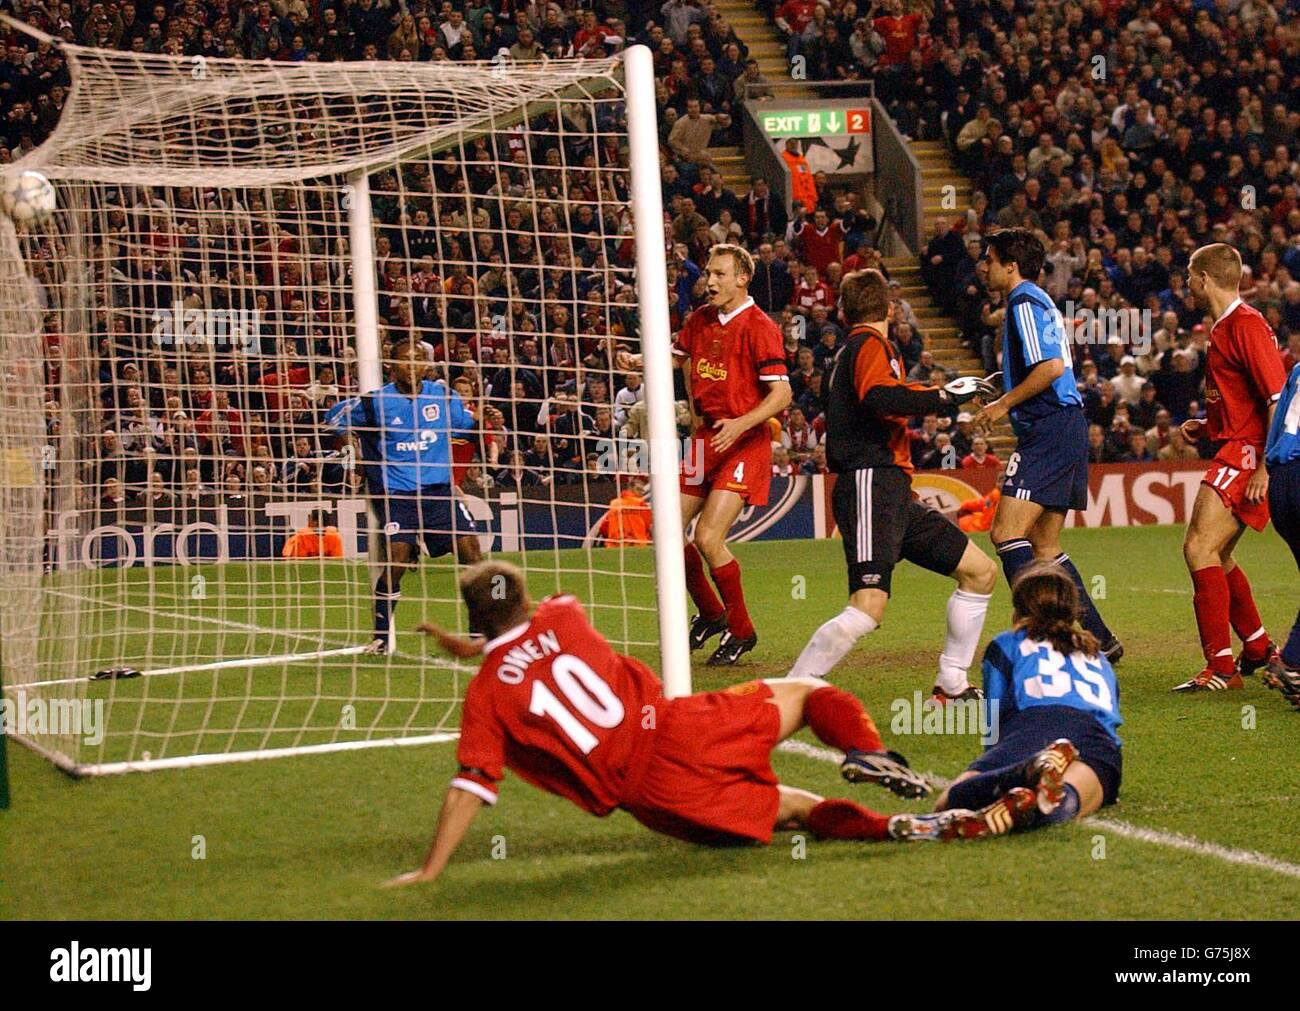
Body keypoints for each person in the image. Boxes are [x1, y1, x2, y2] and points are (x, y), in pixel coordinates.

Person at [383, 560, 989, 886]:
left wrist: (430, 869)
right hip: (682, 724)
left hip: (654, 795)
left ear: (477, 622)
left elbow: (471, 785)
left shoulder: (488, 696)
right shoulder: (563, 615)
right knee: (808, 693)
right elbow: (523, 623)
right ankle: (865, 750)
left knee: (798, 808)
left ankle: (894, 827)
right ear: (524, 601)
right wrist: (484, 639)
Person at [787, 268, 999, 702]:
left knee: (979, 572)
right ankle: (786, 692)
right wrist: (943, 396)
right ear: (889, 309)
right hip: (870, 484)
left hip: (891, 491)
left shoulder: (855, 348)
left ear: (844, 311)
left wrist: (936, 393)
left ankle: (951, 683)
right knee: (868, 607)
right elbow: (881, 398)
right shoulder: (869, 345)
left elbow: (882, 397)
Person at [972, 227, 1123, 663]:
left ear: (1010, 264)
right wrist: (1005, 384)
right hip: (1063, 425)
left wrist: (1003, 404)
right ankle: (1101, 639)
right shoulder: (1038, 301)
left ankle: (1040, 637)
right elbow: (1045, 366)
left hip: (1049, 429)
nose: (984, 266)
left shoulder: (1022, 302)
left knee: (1005, 533)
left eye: (989, 258)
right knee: (1045, 546)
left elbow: (1052, 367)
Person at [931, 562, 1123, 839]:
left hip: (1033, 727)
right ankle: (1041, 777)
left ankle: (1022, 772)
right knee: (1060, 806)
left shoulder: (1006, 645)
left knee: (949, 803)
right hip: (1096, 738)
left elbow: (995, 724)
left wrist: (995, 759)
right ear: (1073, 611)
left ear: (1018, 610)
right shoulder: (1097, 655)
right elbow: (1111, 722)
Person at [1172, 244, 1288, 692]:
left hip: (1247, 453)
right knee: (1217, 554)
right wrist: (1210, 425)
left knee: (1199, 548)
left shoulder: (1245, 325)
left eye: (1189, 274)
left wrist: (1265, 464)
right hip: (1236, 443)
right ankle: (1257, 648)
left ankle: (1221, 666)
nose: (1186, 282)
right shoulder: (1225, 326)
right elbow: (1248, 398)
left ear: (1205, 278)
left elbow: (1277, 396)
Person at [672, 244, 792, 665]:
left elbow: (782, 393)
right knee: (666, 532)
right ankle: (710, 614)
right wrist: (637, 360)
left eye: (720, 274)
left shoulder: (760, 326)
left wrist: (741, 423)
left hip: (743, 440)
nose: (710, 281)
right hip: (706, 438)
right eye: (708, 273)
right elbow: (675, 359)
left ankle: (741, 631)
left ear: (743, 278)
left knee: (707, 536)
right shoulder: (699, 320)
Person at [326, 337, 482, 654]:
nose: (411, 366)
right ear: (390, 365)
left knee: (473, 555)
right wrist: (350, 459)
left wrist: (486, 421)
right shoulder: (375, 402)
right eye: (404, 360)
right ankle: (382, 637)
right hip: (398, 495)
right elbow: (334, 419)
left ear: (426, 365)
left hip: (439, 493)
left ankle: (481, 632)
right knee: (396, 559)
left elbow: (466, 427)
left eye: (418, 360)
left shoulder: (442, 396)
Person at [1264, 362, 1300, 708]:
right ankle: (1291, 662)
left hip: (1281, 480)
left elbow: (1277, 422)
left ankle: (1293, 666)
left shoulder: (1297, 370)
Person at [597, 476, 653, 547]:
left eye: (642, 491)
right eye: (638, 490)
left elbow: (603, 528)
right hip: (636, 545)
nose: (641, 493)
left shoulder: (614, 504)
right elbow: (649, 525)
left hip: (615, 546)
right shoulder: (640, 503)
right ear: (630, 489)